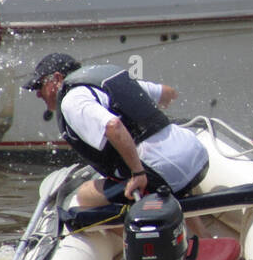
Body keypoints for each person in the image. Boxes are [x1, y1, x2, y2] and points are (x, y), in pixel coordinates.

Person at [24, 52, 210, 207]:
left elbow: (113, 126)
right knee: (169, 181)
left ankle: (123, 245)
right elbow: (168, 93)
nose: (38, 93)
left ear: (57, 78)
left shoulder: (72, 100)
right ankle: (201, 234)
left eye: (39, 85)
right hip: (197, 157)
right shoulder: (106, 81)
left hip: (163, 174)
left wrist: (138, 174)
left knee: (84, 195)